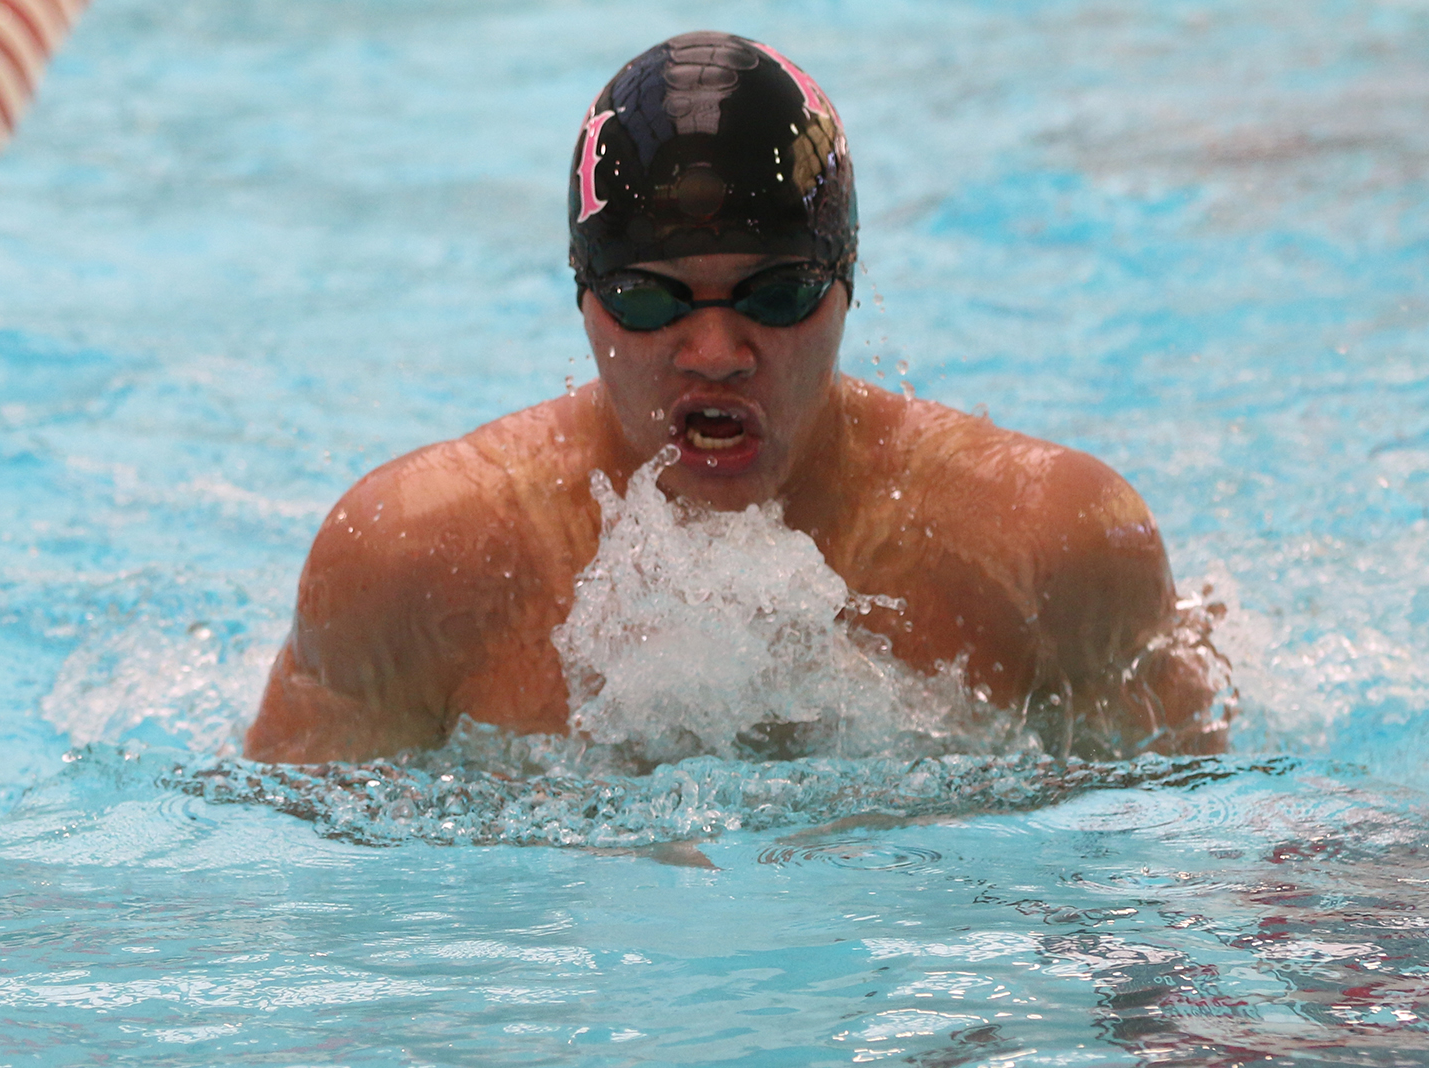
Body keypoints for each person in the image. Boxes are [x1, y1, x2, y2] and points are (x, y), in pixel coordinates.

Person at [246, 31, 1227, 765]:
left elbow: (1184, 876)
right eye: (648, 298)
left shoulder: (1046, 546)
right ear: (583, 297)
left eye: (776, 292)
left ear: (847, 282)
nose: (715, 352)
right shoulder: (408, 567)